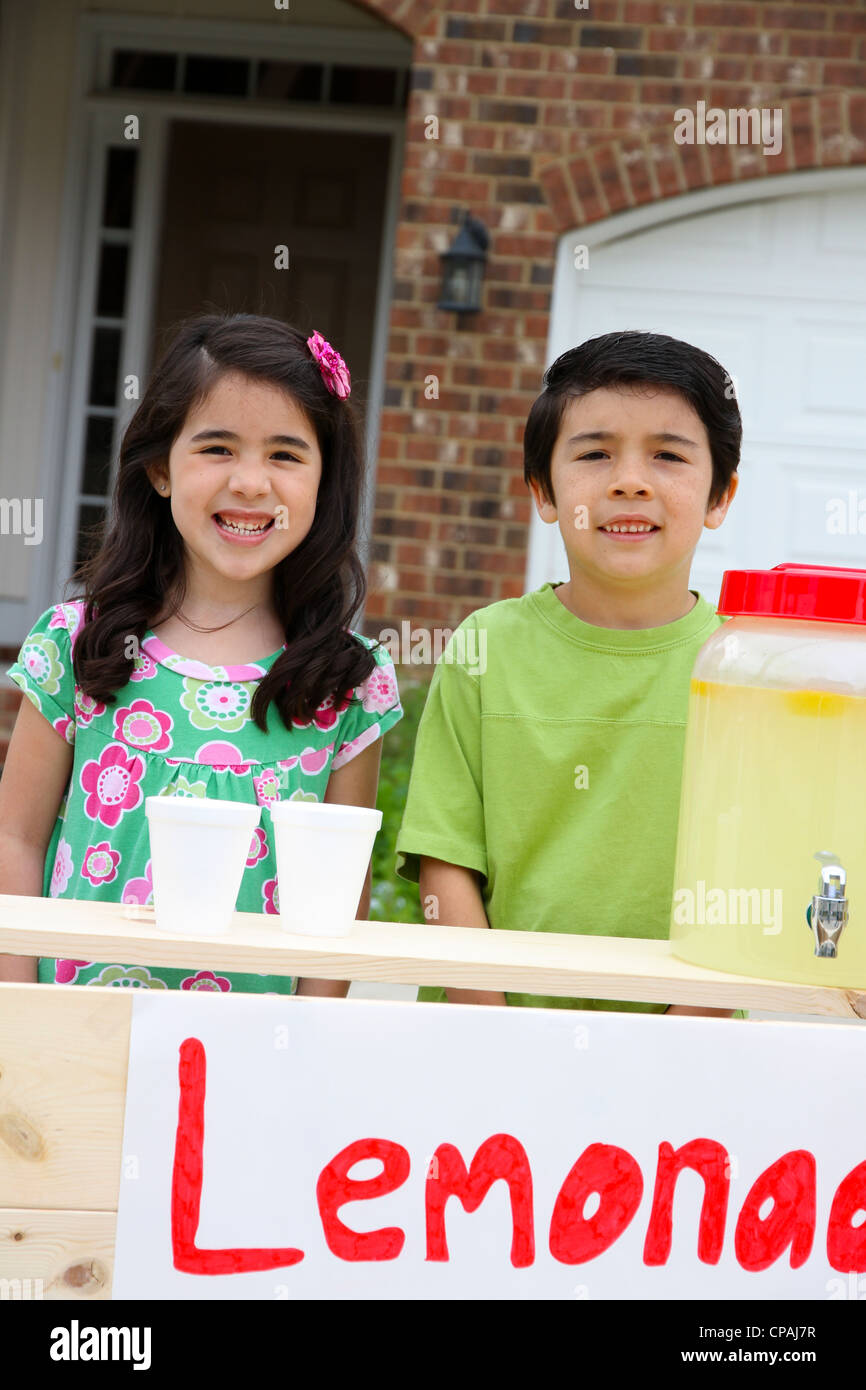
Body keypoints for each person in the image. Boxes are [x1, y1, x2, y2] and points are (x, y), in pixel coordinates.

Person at [0, 313, 402, 994]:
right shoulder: (79, 645)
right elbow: (16, 840)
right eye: (217, 448)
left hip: (257, 1062)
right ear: (160, 468)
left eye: (284, 454)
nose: (250, 483)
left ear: (324, 478)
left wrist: (304, 1041)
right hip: (72, 1042)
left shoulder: (346, 682)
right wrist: (18, 1012)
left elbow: (338, 900)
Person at [395, 329, 742, 1019]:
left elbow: (752, 874)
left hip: (688, 1056)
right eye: (595, 454)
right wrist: (499, 1032)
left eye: (668, 455)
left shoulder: (744, 670)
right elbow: (446, 862)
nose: (630, 481)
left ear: (719, 497)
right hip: (487, 1042)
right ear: (543, 491)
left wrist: (683, 1038)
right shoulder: (483, 648)